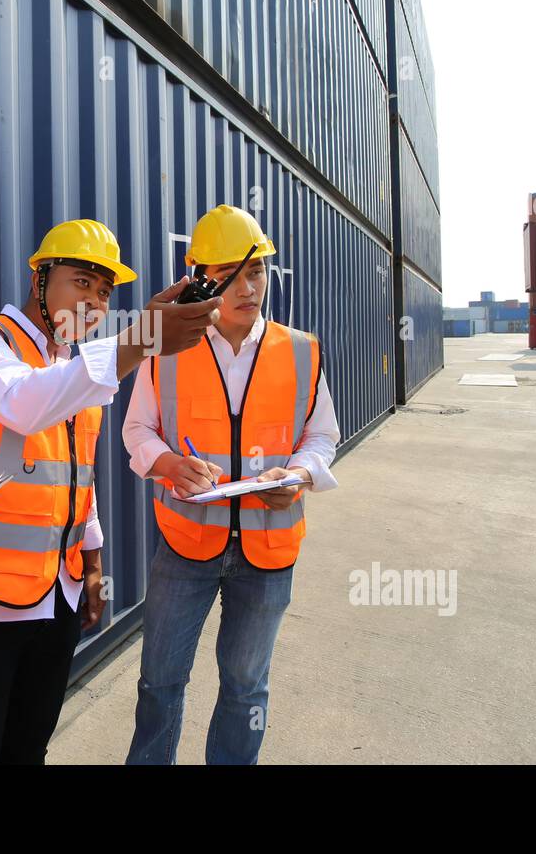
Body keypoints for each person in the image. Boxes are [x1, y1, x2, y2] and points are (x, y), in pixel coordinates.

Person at [0, 218, 222, 764]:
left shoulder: (74, 367)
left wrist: (94, 563)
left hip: (56, 597)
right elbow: (24, 405)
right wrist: (143, 338)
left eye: (105, 292)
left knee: (27, 750)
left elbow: (79, 474)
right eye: (80, 281)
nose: (94, 301)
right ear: (39, 278)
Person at [122, 204, 342, 765]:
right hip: (186, 545)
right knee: (159, 683)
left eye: (257, 271)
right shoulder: (166, 346)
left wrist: (296, 474)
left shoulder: (301, 349)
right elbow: (137, 430)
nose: (249, 287)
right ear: (198, 275)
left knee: (246, 689)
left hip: (269, 552)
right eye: (230, 274)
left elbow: (322, 438)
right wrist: (167, 463)